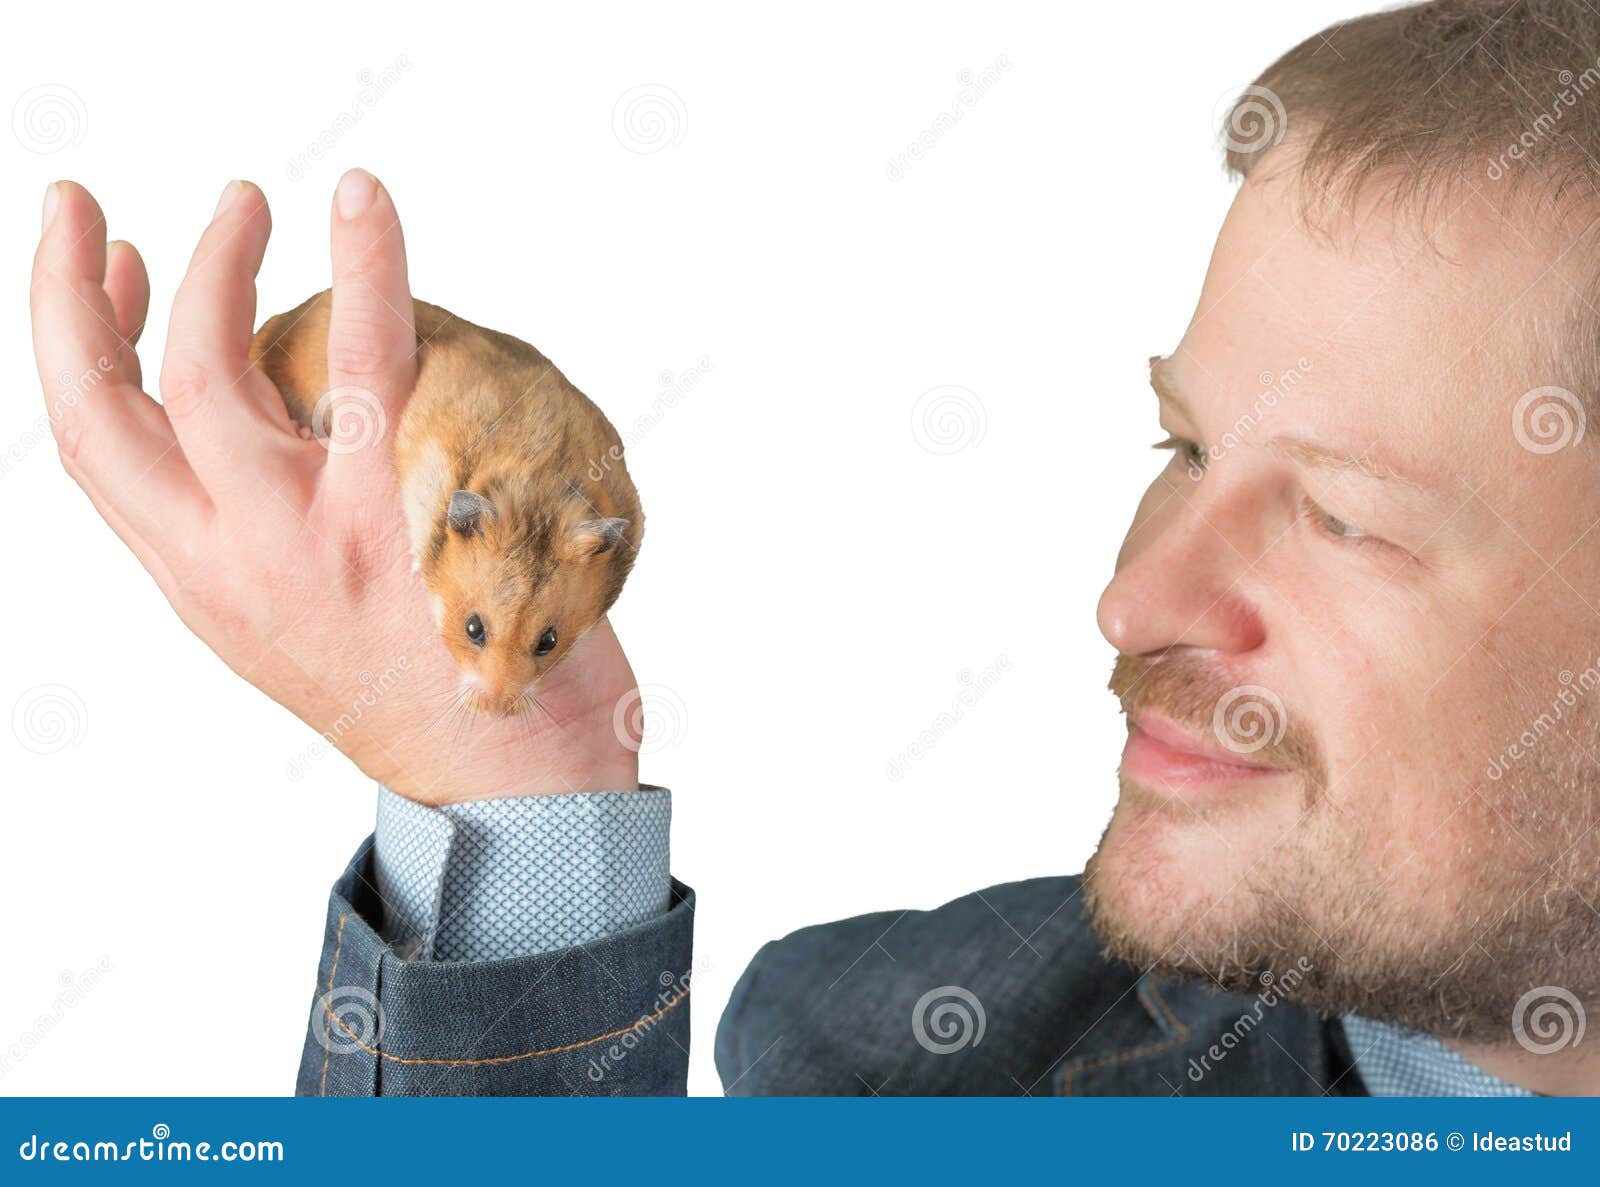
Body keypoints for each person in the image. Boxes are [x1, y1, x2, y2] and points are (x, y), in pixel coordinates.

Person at [28, 0, 1600, 1097]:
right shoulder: (897, 1077)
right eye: (1179, 449)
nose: (1131, 599)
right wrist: (514, 802)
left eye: (1339, 515)